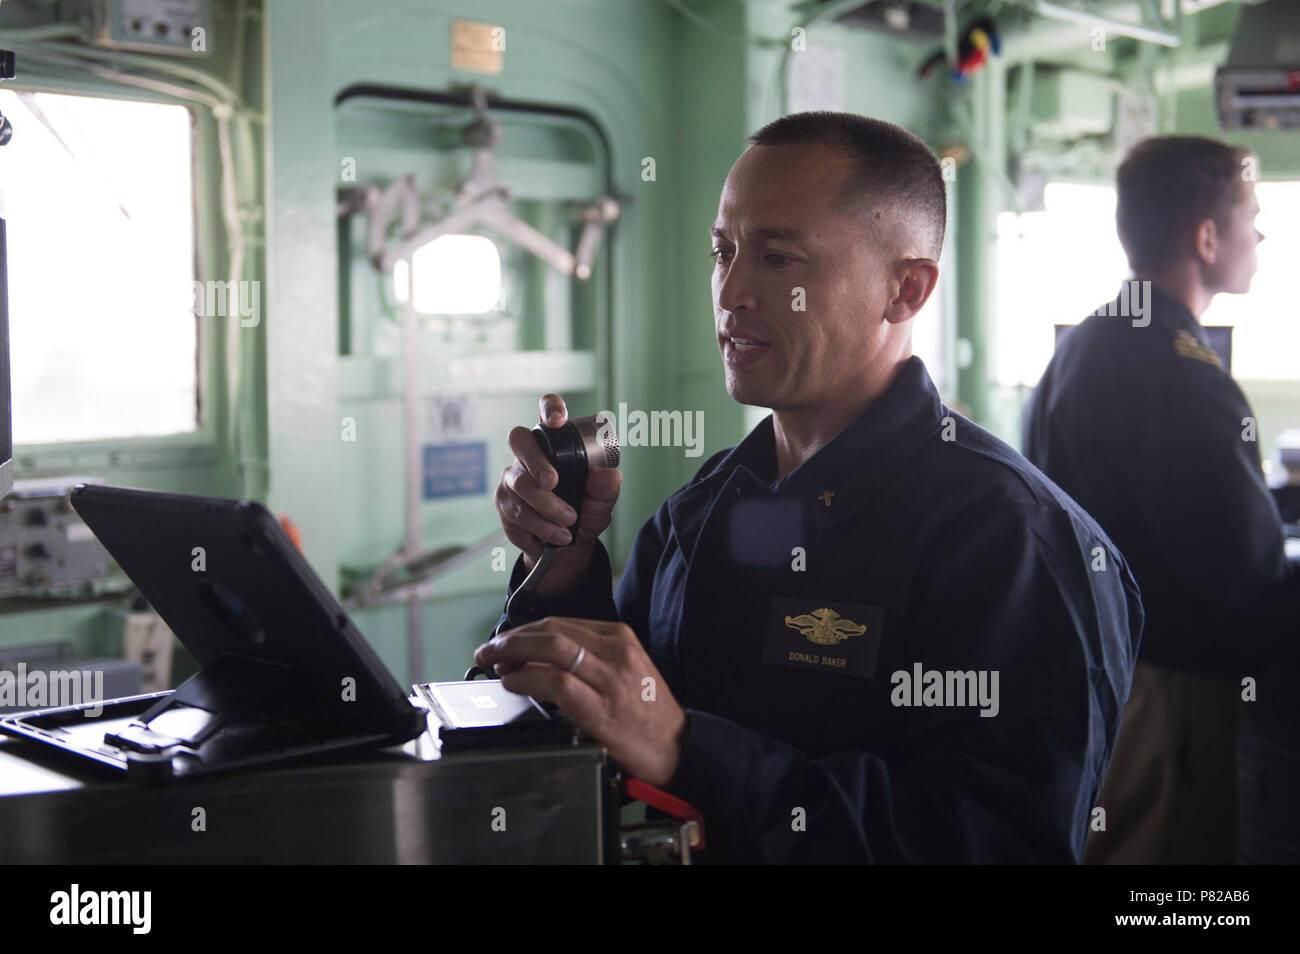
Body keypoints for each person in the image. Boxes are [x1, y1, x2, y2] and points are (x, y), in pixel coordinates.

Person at [477, 111, 1142, 863]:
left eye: (779, 260)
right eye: (721, 252)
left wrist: (692, 751)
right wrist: (562, 569)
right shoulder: (700, 514)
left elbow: (998, 843)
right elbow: (611, 729)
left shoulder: (1012, 540)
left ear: (906, 290)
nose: (731, 294)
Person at [1024, 136, 1300, 863]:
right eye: (1252, 215)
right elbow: (1241, 567)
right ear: (1206, 237)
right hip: (1164, 685)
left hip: (1105, 672)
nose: (1262, 234)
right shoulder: (1174, 367)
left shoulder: (1092, 339)